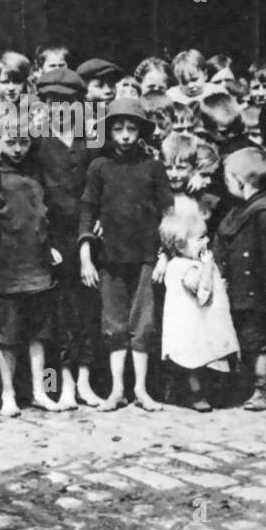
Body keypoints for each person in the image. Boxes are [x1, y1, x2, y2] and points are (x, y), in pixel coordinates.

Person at [79, 96, 173, 412]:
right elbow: (87, 210)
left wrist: (164, 254)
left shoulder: (153, 167)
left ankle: (142, 390)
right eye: (117, 128)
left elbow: (168, 213)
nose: (124, 136)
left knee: (143, 324)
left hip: (146, 256)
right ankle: (117, 389)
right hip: (110, 258)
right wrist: (85, 254)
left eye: (131, 128)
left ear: (140, 131)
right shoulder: (99, 167)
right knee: (114, 324)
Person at [33, 67, 101, 408]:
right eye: (52, 103)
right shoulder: (36, 144)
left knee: (86, 311)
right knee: (54, 317)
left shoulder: (90, 141)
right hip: (53, 241)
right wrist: (44, 245)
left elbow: (101, 186)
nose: (60, 110)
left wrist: (99, 220)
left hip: (86, 239)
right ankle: (59, 385)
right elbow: (32, 198)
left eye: (68, 103)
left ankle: (86, 381)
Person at [0, 107, 59, 416]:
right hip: (8, 265)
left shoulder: (35, 172)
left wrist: (51, 246)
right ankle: (7, 394)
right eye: (11, 142)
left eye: (24, 142)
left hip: (38, 262)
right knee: (8, 336)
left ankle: (40, 390)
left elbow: (46, 212)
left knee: (39, 334)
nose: (18, 149)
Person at [214, 145, 266, 411]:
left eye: (227, 179)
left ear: (239, 179)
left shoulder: (265, 212)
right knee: (241, 337)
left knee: (256, 340)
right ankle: (242, 385)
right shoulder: (239, 209)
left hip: (255, 292)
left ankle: (262, 388)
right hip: (237, 288)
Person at [160, 196, 238, 412]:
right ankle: (196, 395)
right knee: (194, 361)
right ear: (178, 244)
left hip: (204, 323)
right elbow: (201, 292)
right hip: (191, 325)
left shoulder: (194, 262)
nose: (204, 243)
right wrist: (207, 265)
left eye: (205, 237)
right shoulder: (183, 267)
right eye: (198, 239)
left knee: (209, 357)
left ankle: (209, 392)